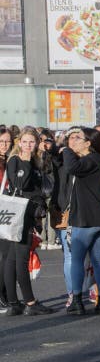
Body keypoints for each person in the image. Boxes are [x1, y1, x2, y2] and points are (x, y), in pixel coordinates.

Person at [62, 127, 100, 315]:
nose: (72, 140)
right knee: (98, 260)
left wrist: (66, 150)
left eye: (77, 138)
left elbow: (71, 168)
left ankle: (77, 300)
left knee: (77, 259)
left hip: (87, 219)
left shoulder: (89, 160)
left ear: (88, 143)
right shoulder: (98, 160)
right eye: (71, 138)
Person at [4, 127, 52, 315]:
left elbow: (40, 188)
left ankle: (14, 303)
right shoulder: (16, 160)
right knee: (19, 258)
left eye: (31, 142)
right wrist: (24, 161)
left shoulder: (35, 160)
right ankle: (30, 302)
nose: (28, 145)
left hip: (28, 213)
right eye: (24, 142)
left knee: (13, 258)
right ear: (19, 142)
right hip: (19, 213)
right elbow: (20, 185)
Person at [0, 126, 15, 313]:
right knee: (4, 256)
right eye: (1, 141)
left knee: (6, 256)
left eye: (7, 141)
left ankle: (5, 294)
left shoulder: (9, 160)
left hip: (9, 210)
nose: (4, 145)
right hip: (3, 210)